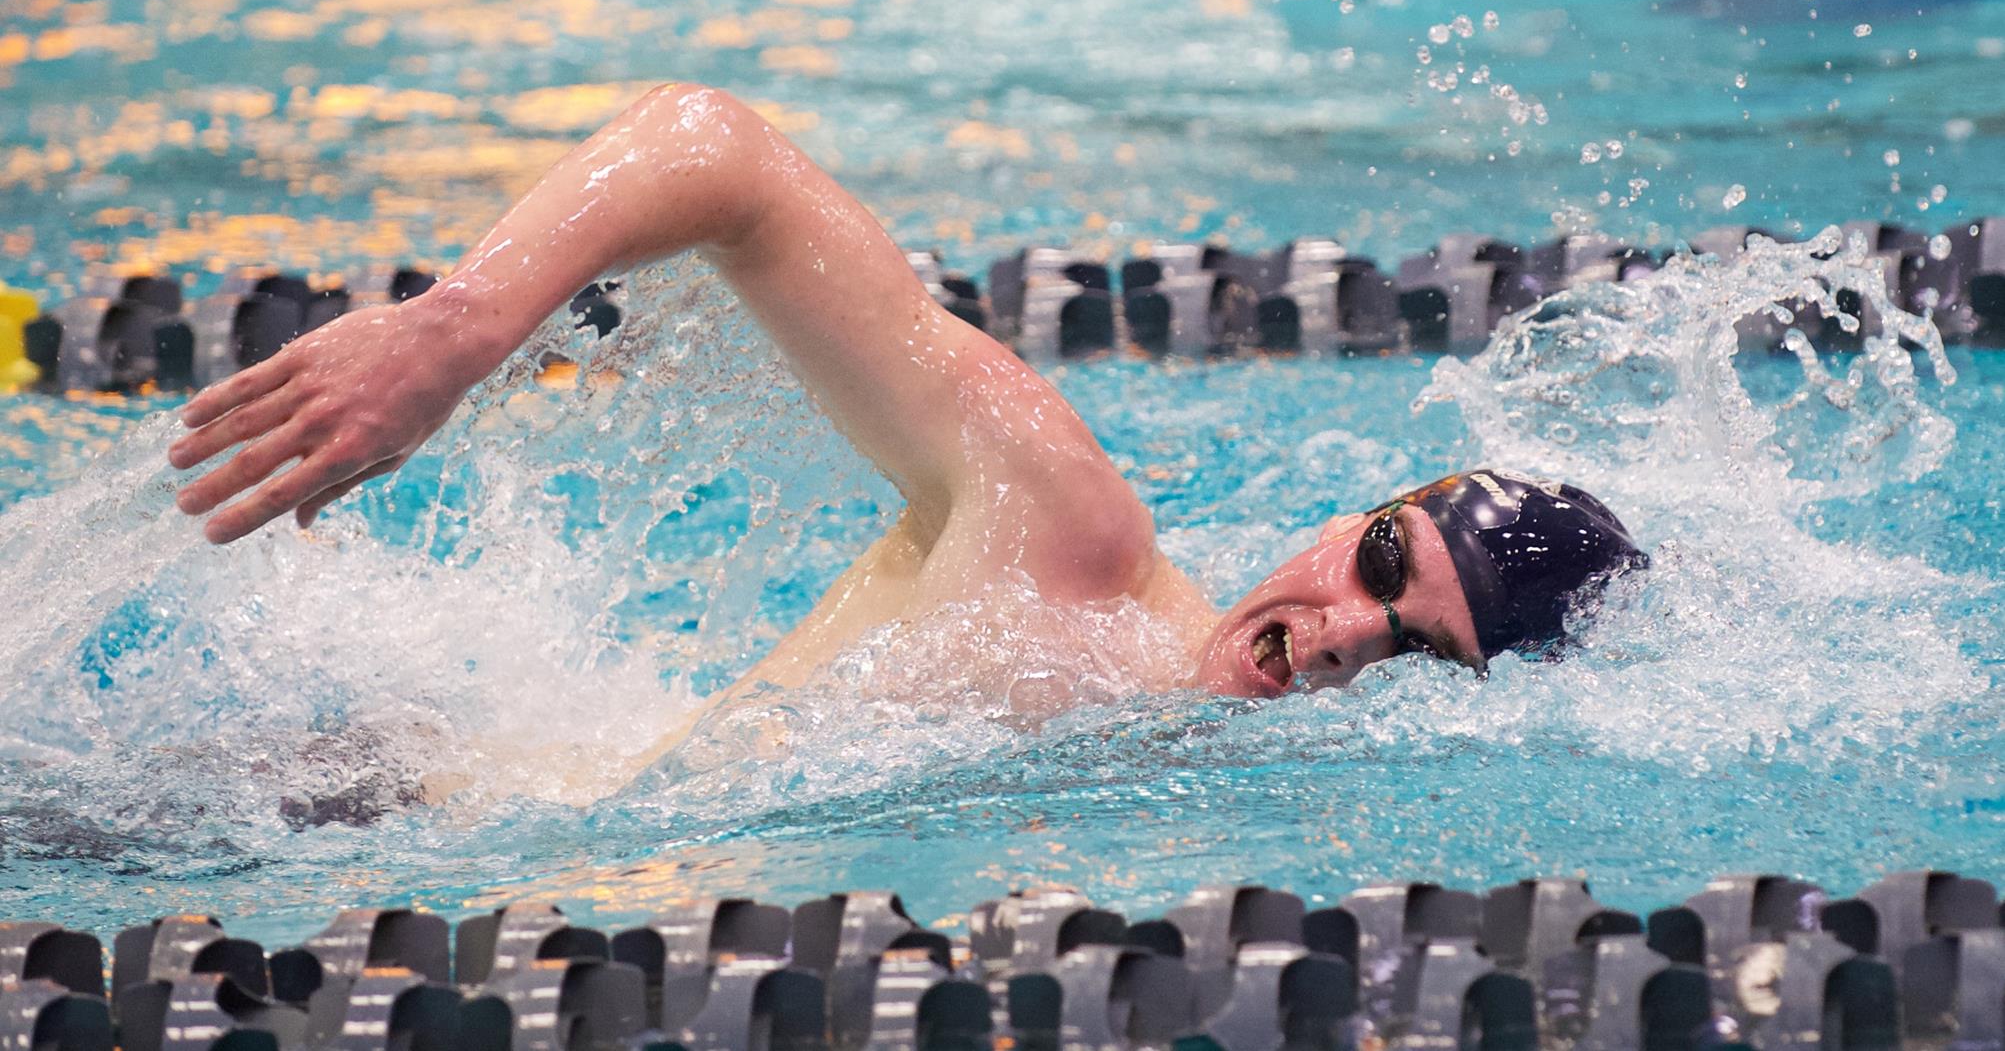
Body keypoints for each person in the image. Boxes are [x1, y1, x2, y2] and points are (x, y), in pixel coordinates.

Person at [166, 83, 1646, 711]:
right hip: (390, 807)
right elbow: (720, 152)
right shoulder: (1064, 543)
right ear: (1350, 516)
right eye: (1381, 568)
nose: (1344, 638)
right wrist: (458, 331)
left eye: (1417, 655)